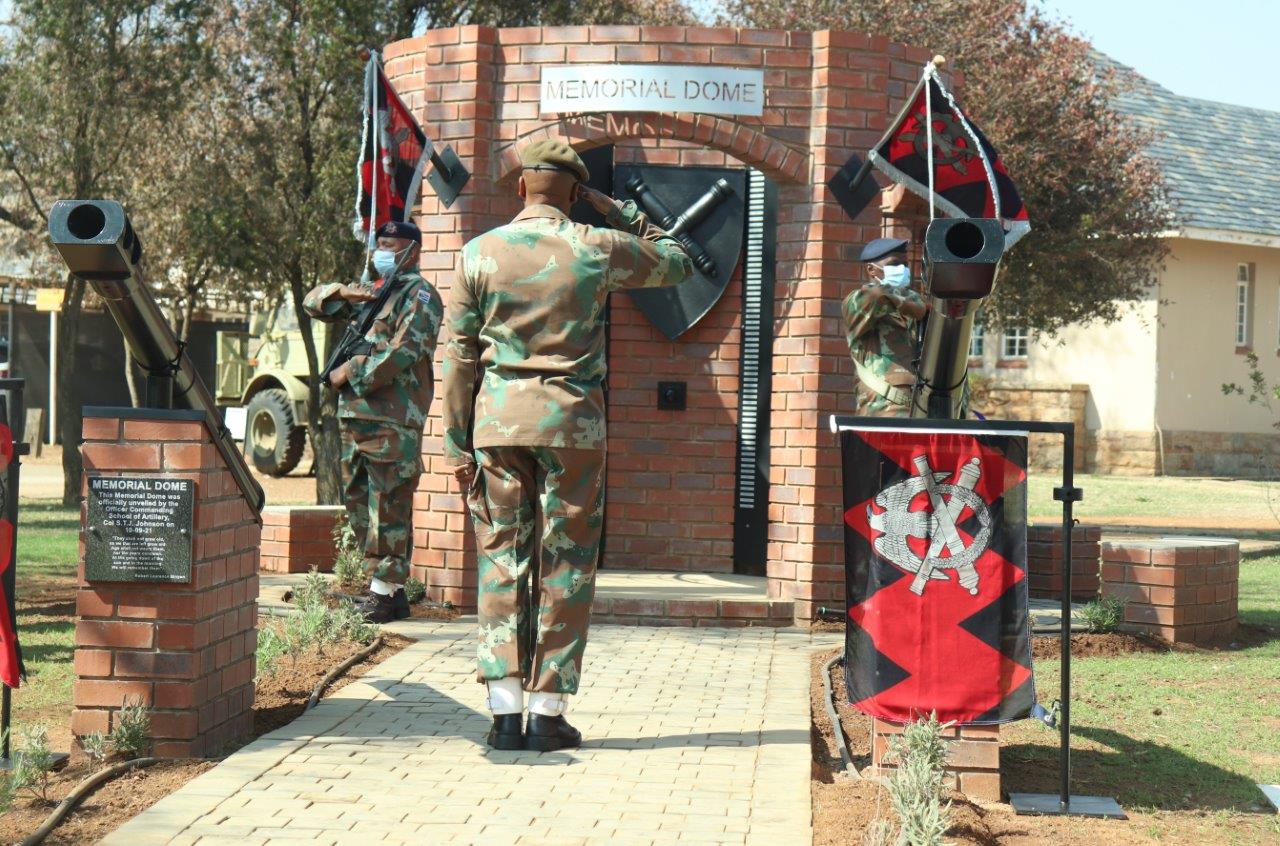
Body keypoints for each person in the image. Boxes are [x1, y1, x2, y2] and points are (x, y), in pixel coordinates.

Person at [441, 139, 692, 751]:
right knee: (568, 562)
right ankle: (548, 713)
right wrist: (616, 209)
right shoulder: (594, 245)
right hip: (573, 425)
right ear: (575, 190)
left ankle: (504, 714)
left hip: (496, 426)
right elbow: (679, 258)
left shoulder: (478, 253)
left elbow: (457, 363)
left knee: (502, 558)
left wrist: (454, 448)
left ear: (522, 186)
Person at [303, 220, 443, 623]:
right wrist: (342, 292)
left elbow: (405, 350)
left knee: (389, 504)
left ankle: (383, 594)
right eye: (378, 243)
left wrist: (352, 371)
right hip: (356, 417)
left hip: (392, 418)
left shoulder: (420, 295)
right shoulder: (373, 293)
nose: (382, 250)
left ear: (411, 251)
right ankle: (386, 591)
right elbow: (313, 304)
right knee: (359, 502)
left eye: (391, 244)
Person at [844, 236, 929, 417]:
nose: (903, 270)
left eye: (905, 264)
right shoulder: (858, 301)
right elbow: (875, 295)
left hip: (918, 408)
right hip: (880, 409)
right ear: (871, 270)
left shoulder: (910, 304)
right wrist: (915, 302)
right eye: (894, 264)